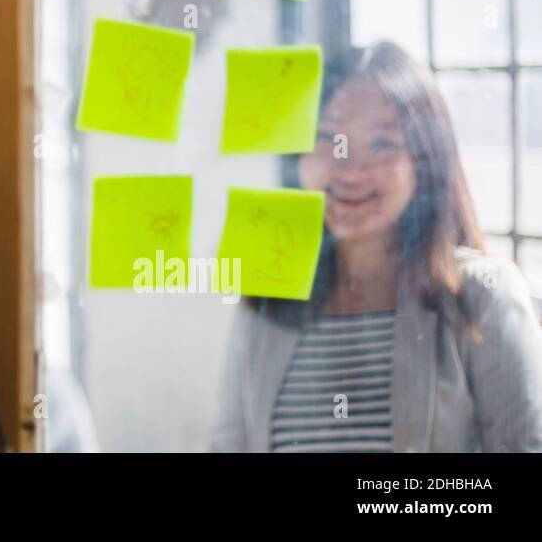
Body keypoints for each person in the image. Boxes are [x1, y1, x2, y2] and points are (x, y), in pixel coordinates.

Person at [212, 41, 542, 452]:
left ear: (425, 161)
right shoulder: (267, 298)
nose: (350, 169)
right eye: (327, 137)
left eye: (383, 144)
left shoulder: (482, 297)